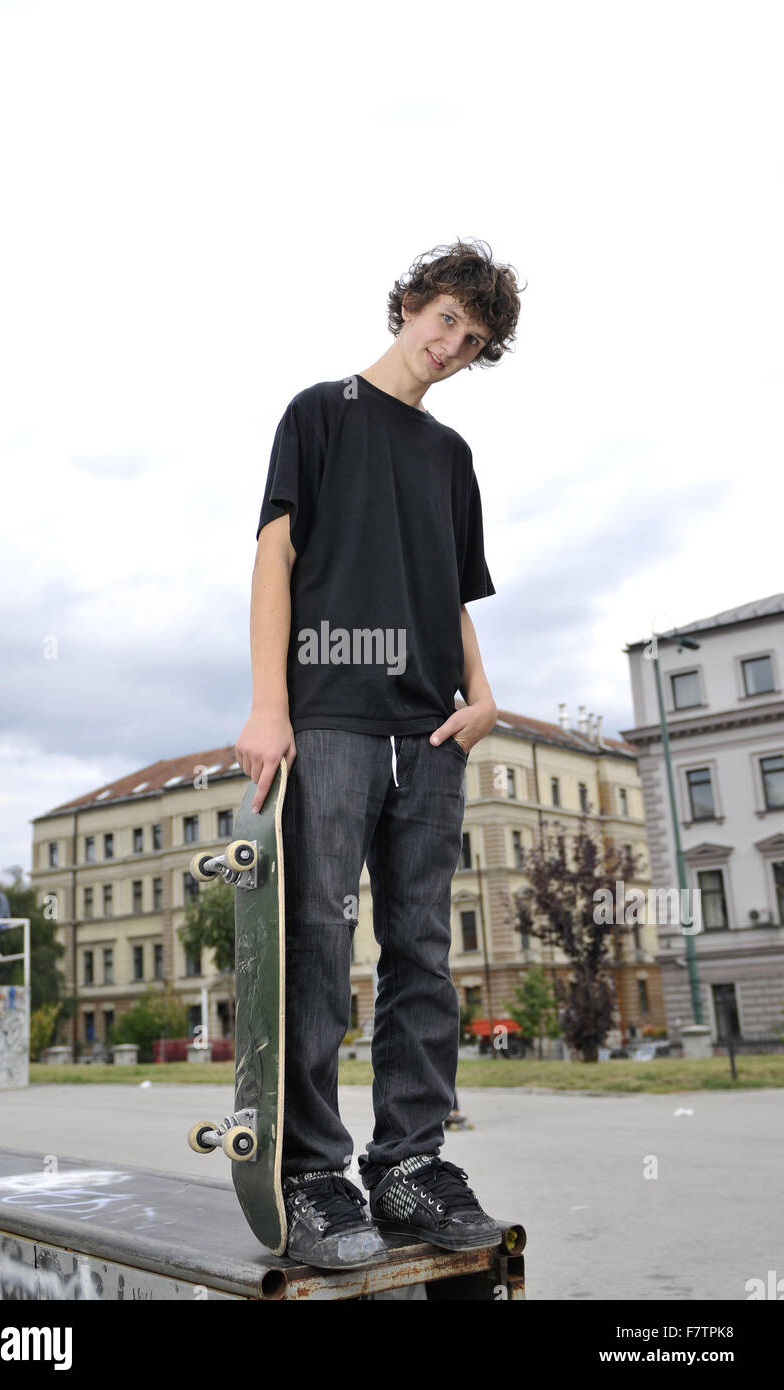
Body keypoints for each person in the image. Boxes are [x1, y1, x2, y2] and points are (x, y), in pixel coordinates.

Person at [236, 239, 523, 1268]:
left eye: (473, 341)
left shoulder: (449, 458)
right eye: (445, 321)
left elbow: (451, 592)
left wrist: (481, 696)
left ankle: (407, 1163)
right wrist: (269, 705)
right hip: (331, 716)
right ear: (407, 304)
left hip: (430, 727)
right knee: (316, 943)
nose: (452, 348)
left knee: (421, 954)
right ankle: (310, 1175)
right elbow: (276, 555)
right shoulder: (319, 412)